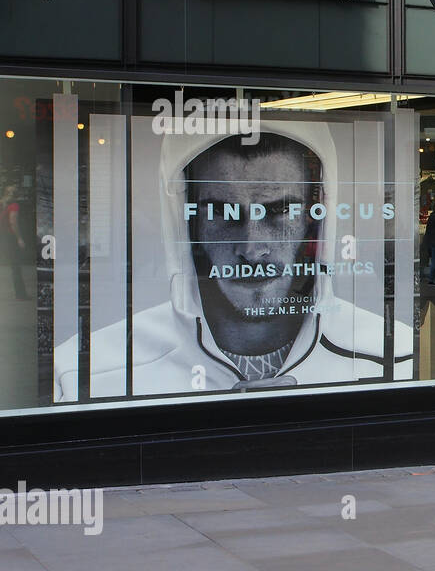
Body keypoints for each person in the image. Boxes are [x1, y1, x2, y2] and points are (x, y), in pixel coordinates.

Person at [52, 122, 411, 399]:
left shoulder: (394, 357)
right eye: (223, 213)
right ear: (187, 221)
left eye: (280, 211)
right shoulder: (90, 370)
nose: (252, 249)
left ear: (314, 219)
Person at [1, 184, 29, 300]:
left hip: (2, 236)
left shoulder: (2, 203)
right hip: (10, 237)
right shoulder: (14, 205)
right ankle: (20, 294)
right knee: (16, 266)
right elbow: (13, 222)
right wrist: (19, 238)